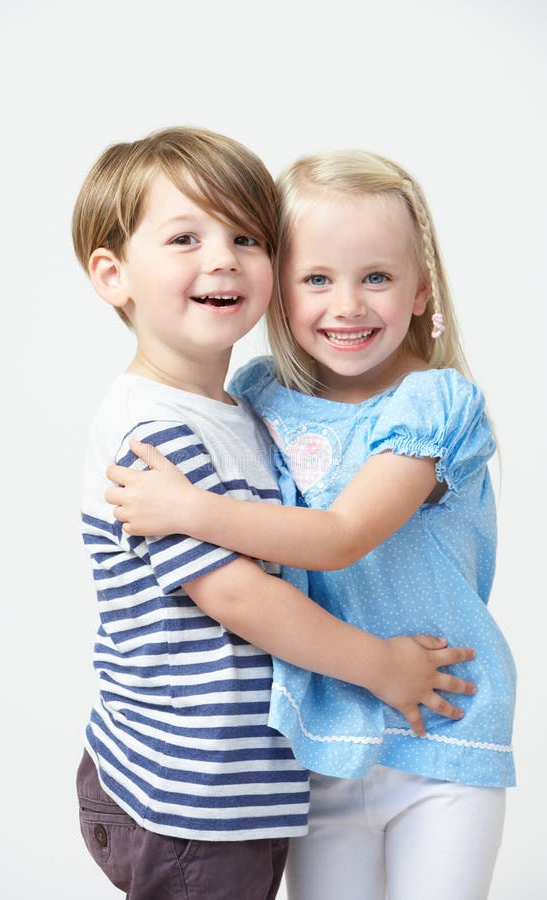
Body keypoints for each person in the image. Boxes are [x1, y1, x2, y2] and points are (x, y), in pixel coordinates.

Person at [73, 130, 478, 900]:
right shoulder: (157, 432)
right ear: (113, 273)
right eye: (186, 237)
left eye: (246, 237)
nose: (221, 258)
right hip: (189, 794)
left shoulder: (241, 407)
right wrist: (381, 666)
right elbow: (239, 596)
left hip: (240, 787)